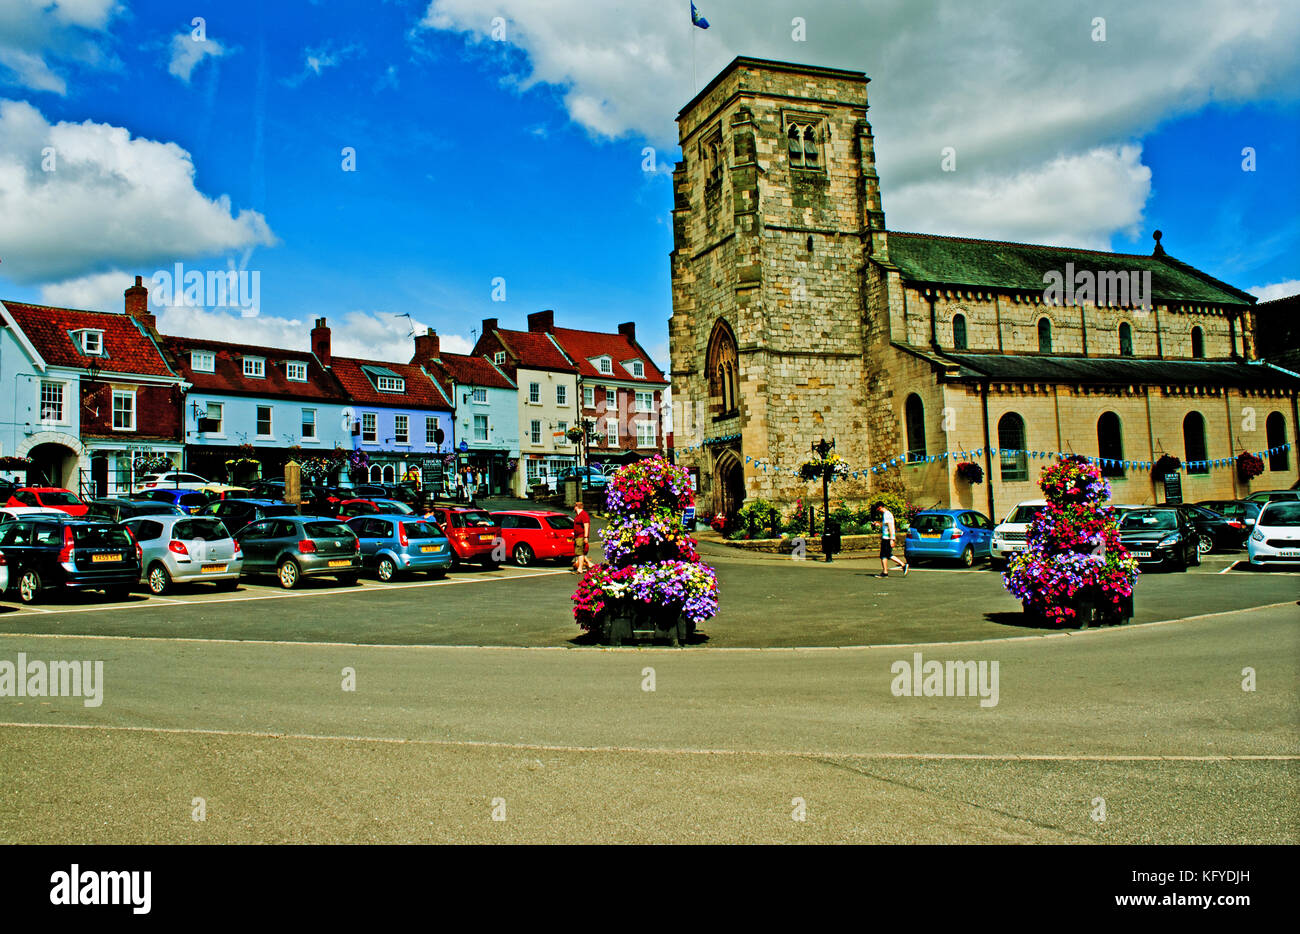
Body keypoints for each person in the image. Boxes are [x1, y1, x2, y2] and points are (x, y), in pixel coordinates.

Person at [873, 502, 909, 578]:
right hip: (886, 537)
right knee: (885, 554)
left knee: (886, 554)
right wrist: (878, 524)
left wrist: (892, 539)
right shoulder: (886, 514)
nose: (877, 510)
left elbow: (891, 527)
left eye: (877, 508)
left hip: (887, 538)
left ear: (879, 507)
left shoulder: (887, 514)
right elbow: (886, 525)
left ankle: (902, 565)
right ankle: (885, 572)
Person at [572, 501, 592, 574]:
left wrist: (586, 537)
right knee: (580, 552)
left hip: (581, 536)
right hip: (577, 536)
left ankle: (580, 568)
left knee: (580, 553)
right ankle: (589, 564)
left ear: (577, 507)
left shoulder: (583, 514)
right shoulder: (578, 515)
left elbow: (586, 526)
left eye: (575, 506)